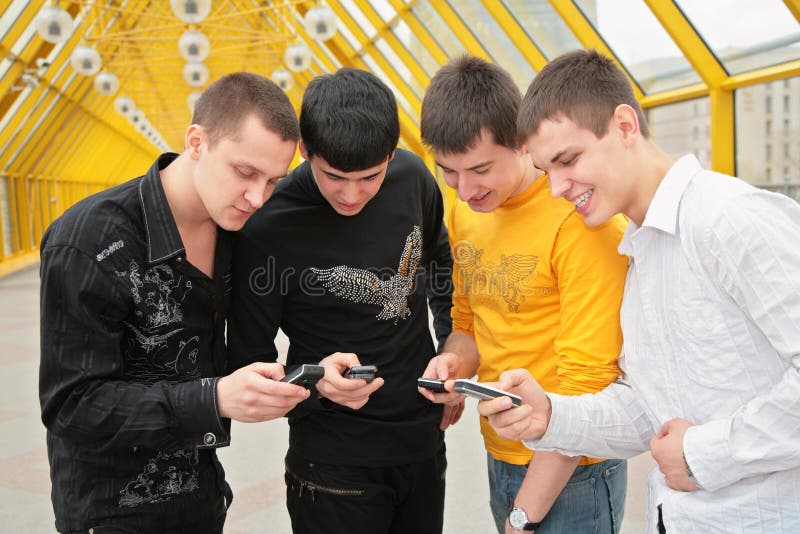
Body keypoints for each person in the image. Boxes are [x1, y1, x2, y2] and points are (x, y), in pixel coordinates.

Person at [480, 49, 800, 534]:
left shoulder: (730, 219)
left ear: (626, 126)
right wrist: (550, 414)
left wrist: (702, 453)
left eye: (568, 160)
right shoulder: (640, 249)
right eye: (547, 171)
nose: (558, 189)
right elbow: (649, 408)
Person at [39, 72, 306, 533]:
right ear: (196, 142)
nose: (258, 197)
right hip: (111, 514)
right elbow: (70, 404)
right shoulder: (90, 240)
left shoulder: (238, 233)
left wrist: (316, 375)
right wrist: (212, 398)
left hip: (202, 503)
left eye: (272, 181)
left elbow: (246, 353)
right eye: (245, 172)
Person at [227, 68, 455, 534]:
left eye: (370, 177)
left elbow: (440, 266)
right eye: (334, 176)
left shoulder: (413, 178)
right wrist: (315, 386)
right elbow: (250, 362)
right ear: (305, 152)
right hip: (333, 467)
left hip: (424, 442)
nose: (351, 194)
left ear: (392, 154)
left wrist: (451, 349)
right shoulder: (267, 225)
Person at [418, 55, 630, 533]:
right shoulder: (465, 210)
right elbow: (468, 322)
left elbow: (587, 389)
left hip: (576, 469)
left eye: (479, 169)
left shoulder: (583, 222)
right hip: (503, 453)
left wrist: (523, 516)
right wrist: (453, 364)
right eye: (448, 171)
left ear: (520, 142)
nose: (465, 189)